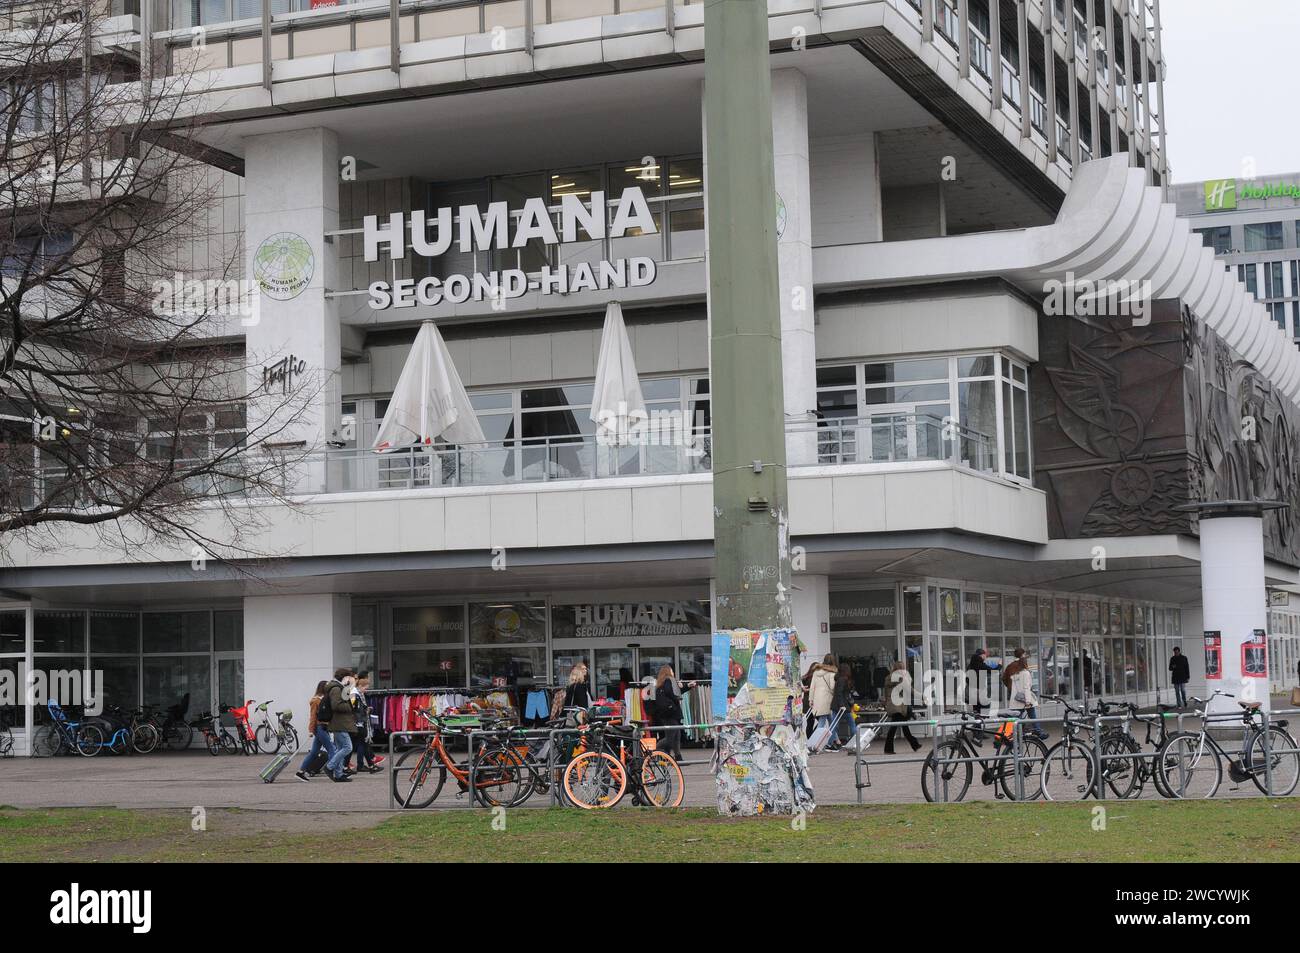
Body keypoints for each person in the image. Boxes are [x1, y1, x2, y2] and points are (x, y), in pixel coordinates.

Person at [646, 665, 695, 761]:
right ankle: (652, 752)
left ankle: (677, 757)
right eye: (672, 671)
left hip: (667, 714)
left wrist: (686, 686)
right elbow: (673, 693)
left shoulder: (661, 683)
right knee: (670, 738)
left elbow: (674, 692)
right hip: (670, 713)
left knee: (676, 735)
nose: (673, 672)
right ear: (668, 672)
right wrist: (679, 688)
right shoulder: (669, 680)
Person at [322, 668, 356, 783]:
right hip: (339, 723)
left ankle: (338, 774)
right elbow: (337, 705)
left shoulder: (338, 687)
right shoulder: (336, 689)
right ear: (344, 677)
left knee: (341, 748)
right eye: (350, 677)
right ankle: (329, 767)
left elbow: (344, 699)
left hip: (339, 723)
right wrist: (351, 707)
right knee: (347, 747)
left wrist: (348, 689)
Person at [295, 680, 333, 782]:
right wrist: (311, 730)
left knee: (314, 752)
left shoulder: (323, 699)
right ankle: (336, 771)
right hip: (319, 727)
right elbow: (312, 716)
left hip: (321, 727)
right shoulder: (316, 701)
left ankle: (300, 772)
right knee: (332, 749)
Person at [1005, 649, 1046, 740]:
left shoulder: (1011, 669)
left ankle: (1010, 735)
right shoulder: (1025, 673)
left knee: (1015, 718)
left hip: (1015, 698)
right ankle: (1038, 731)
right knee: (1031, 715)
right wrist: (1027, 701)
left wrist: (1012, 690)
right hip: (1024, 698)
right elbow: (1027, 687)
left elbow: (1005, 679)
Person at [881, 660, 921, 754]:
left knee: (901, 726)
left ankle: (914, 744)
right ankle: (889, 749)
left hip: (897, 706)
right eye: (902, 668)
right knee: (895, 727)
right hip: (896, 706)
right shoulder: (897, 678)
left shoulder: (890, 678)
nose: (904, 670)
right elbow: (909, 689)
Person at [807, 654, 838, 749]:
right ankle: (816, 743)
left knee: (831, 721)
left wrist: (810, 699)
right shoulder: (832, 673)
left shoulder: (816, 672)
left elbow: (812, 687)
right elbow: (832, 687)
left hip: (817, 699)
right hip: (827, 700)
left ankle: (834, 741)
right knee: (822, 722)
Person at [832, 663, 859, 751]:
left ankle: (833, 742)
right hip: (843, 706)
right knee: (852, 724)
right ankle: (857, 742)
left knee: (834, 725)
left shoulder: (838, 679)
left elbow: (838, 693)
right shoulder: (843, 680)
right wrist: (842, 705)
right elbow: (840, 693)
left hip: (837, 705)